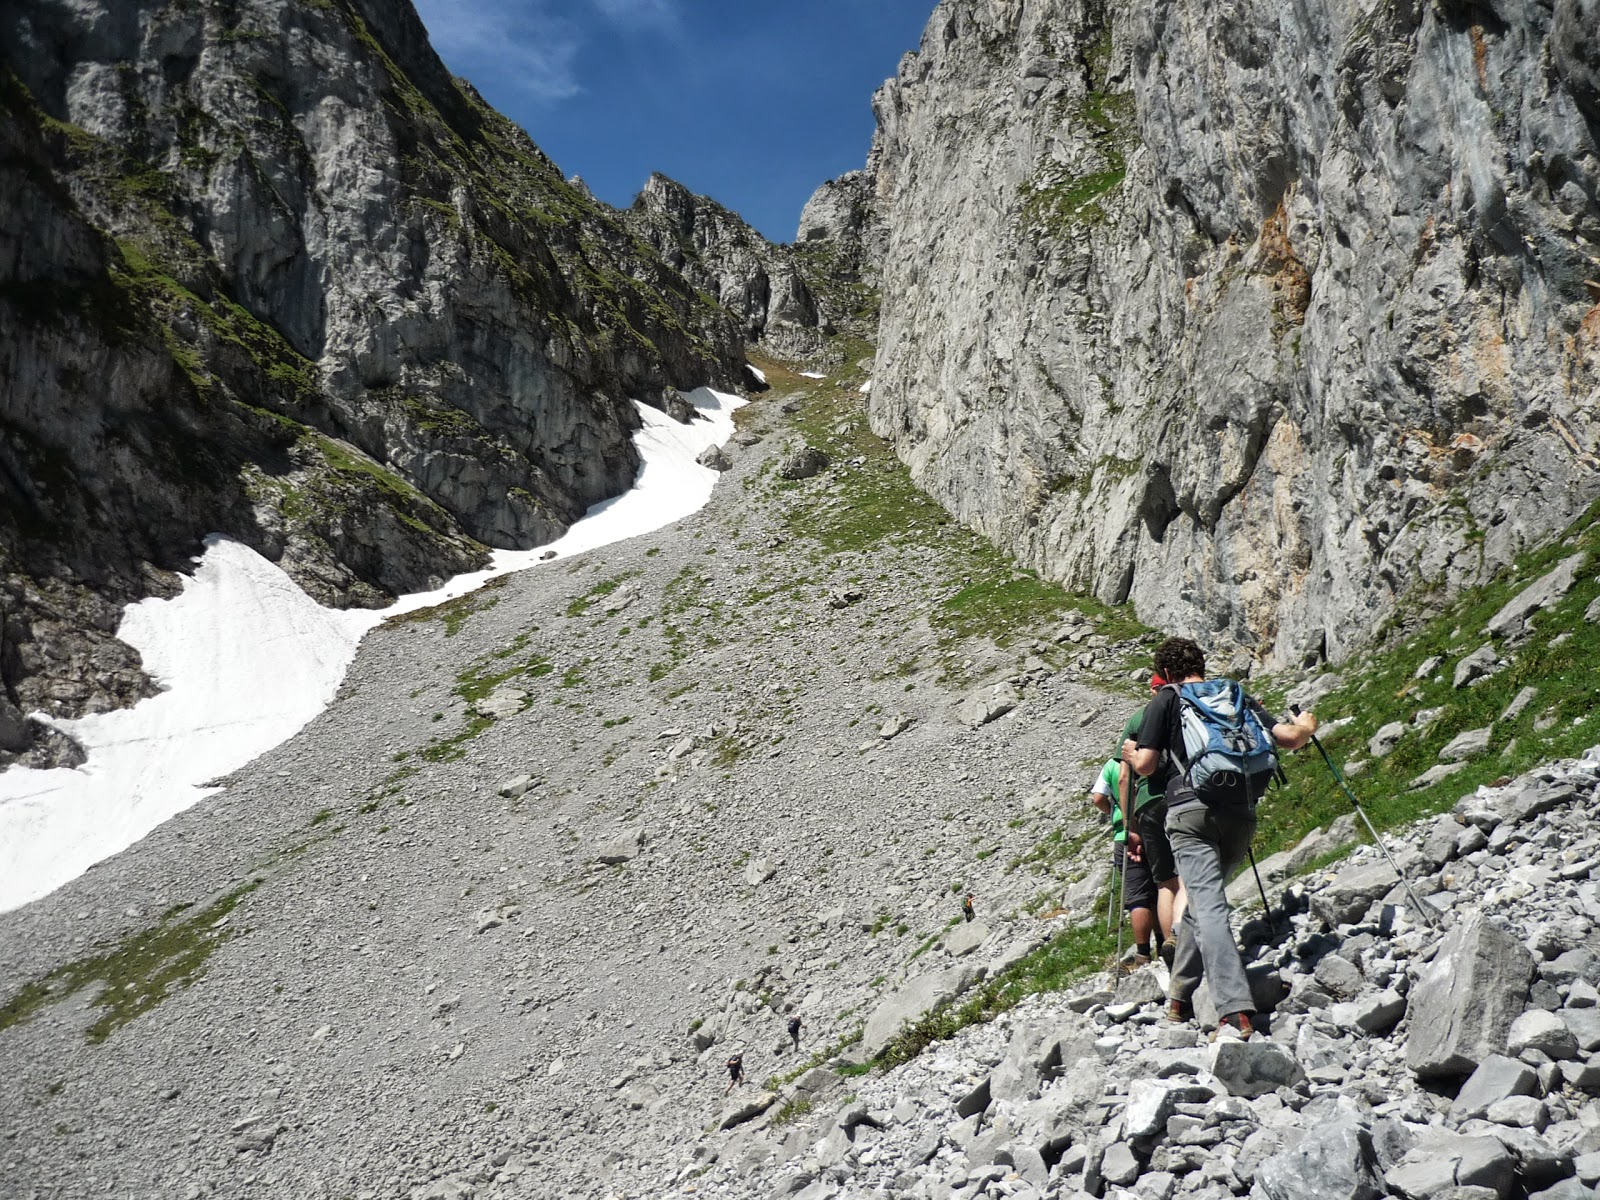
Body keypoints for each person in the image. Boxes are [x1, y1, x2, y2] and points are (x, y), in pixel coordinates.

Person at [1129, 636, 1317, 1041]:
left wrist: (1131, 753)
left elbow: (1145, 765)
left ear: (1165, 672)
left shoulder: (1166, 699)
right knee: (1201, 903)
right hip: (1240, 813)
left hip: (1189, 813)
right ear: (1200, 664)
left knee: (1209, 907)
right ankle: (1180, 998)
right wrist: (1306, 725)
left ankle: (1233, 1011)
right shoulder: (1233, 693)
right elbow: (1289, 738)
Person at [1117, 686, 1186, 962]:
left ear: (1154, 688)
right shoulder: (1188, 706)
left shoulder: (1138, 718)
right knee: (1192, 872)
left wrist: (1129, 827)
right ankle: (1196, 937)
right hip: (1185, 793)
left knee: (1165, 882)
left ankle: (1173, 950)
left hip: (1148, 804)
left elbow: (1124, 778)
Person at [1088, 740, 1158, 966]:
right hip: (1156, 826)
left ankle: (1143, 954)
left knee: (1138, 895)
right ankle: (1168, 941)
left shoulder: (1112, 765)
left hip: (1125, 834)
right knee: (1163, 885)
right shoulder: (1154, 756)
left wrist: (1114, 812)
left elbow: (1098, 798)